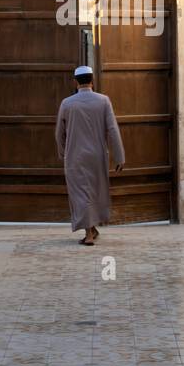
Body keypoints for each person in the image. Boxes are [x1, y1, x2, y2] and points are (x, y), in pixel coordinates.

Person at [55, 65, 125, 245]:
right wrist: (119, 156)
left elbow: (59, 133)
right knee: (95, 191)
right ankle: (92, 228)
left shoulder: (67, 103)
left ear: (75, 82)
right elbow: (112, 129)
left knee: (80, 193)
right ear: (92, 80)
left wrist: (63, 152)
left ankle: (88, 235)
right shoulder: (103, 101)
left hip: (75, 156)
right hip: (97, 155)